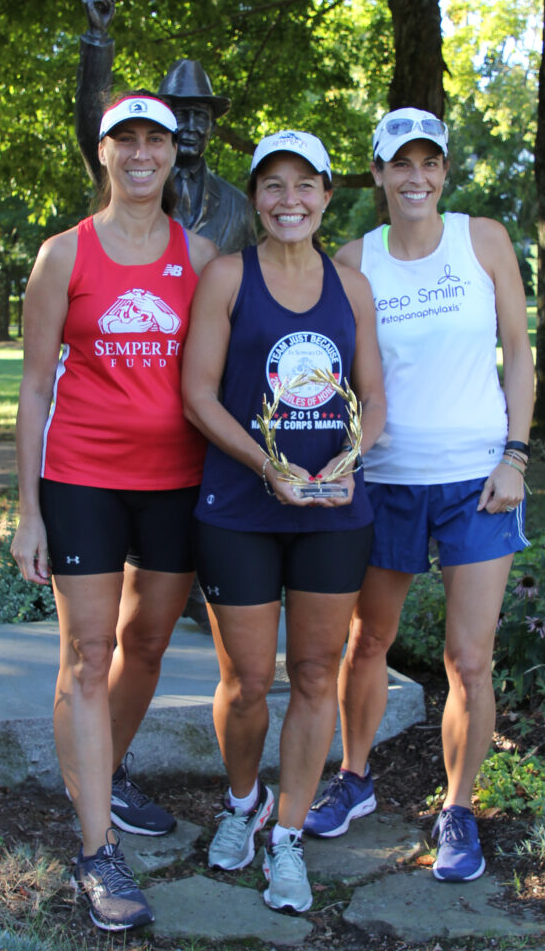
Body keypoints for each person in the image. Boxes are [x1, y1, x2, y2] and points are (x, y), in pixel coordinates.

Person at [304, 109, 534, 884]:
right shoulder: (351, 259)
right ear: (375, 175)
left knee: (468, 658)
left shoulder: (485, 240)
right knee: (367, 642)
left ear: (444, 172)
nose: (416, 177)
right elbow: (329, 379)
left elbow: (521, 358)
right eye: (400, 164)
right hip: (386, 480)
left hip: (479, 480)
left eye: (429, 163)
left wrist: (516, 457)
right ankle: (356, 779)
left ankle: (458, 810)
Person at [11, 92, 218, 931]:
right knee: (89, 654)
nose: (141, 155)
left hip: (176, 481)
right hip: (83, 477)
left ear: (174, 155)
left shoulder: (201, 256)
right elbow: (32, 388)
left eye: (155, 142)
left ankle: (109, 767)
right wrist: (28, 509)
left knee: (148, 643)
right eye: (124, 141)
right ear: (102, 153)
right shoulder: (63, 256)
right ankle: (96, 850)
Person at [182, 130, 386, 913]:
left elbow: (373, 397)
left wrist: (347, 465)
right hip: (239, 508)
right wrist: (267, 467)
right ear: (257, 197)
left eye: (306, 184)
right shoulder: (229, 277)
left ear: (328, 196)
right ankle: (243, 806)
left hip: (335, 513)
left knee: (311, 675)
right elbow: (198, 396)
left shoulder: (351, 288)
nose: (289, 199)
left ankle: (289, 836)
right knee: (244, 680)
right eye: (273, 185)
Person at [75, 0, 255, 254]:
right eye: (182, 115)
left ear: (213, 127)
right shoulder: (134, 178)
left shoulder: (237, 204)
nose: (191, 127)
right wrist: (97, 37)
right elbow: (91, 123)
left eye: (200, 117)